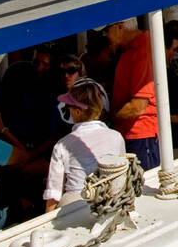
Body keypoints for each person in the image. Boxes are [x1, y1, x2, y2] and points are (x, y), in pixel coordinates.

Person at [43, 77, 126, 211]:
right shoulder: (116, 137)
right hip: (111, 202)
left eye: (69, 106)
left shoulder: (63, 145)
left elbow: (54, 193)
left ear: (77, 111)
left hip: (76, 205)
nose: (68, 109)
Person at [106, 19, 160, 169]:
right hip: (133, 135)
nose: (105, 35)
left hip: (141, 136)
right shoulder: (130, 49)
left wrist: (107, 117)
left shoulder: (143, 49)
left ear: (120, 26)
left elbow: (138, 107)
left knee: (144, 185)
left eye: (107, 30)